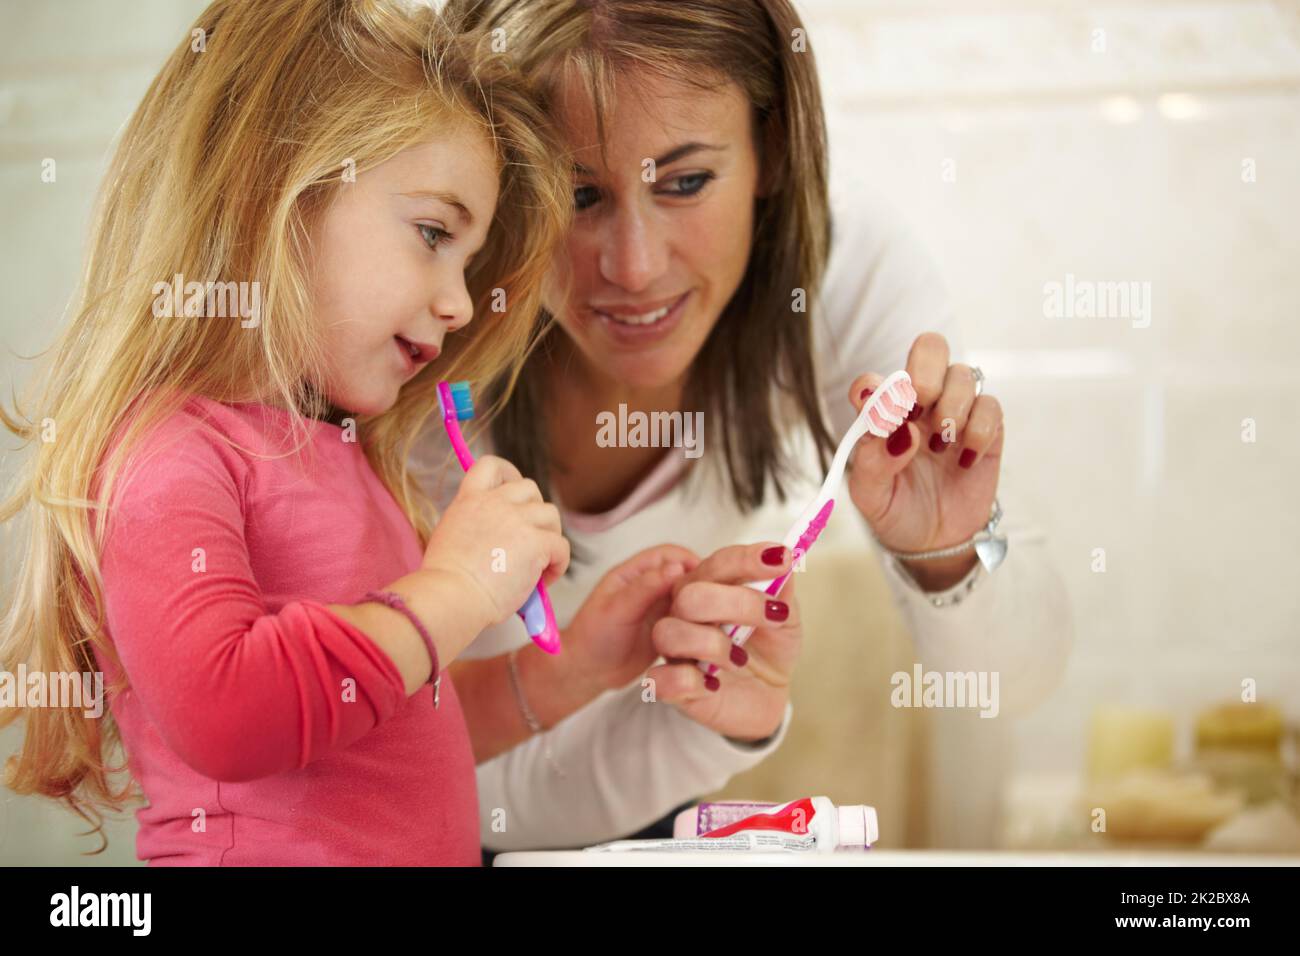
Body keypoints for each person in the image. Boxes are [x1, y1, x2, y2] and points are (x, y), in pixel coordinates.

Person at [428, 0, 1073, 852]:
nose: (634, 265)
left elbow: (1015, 680)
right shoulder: (432, 332)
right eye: (576, 195)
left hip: (621, 801)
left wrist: (943, 552)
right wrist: (691, 734)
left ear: (772, 148)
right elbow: (433, 796)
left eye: (686, 182)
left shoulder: (839, 269)